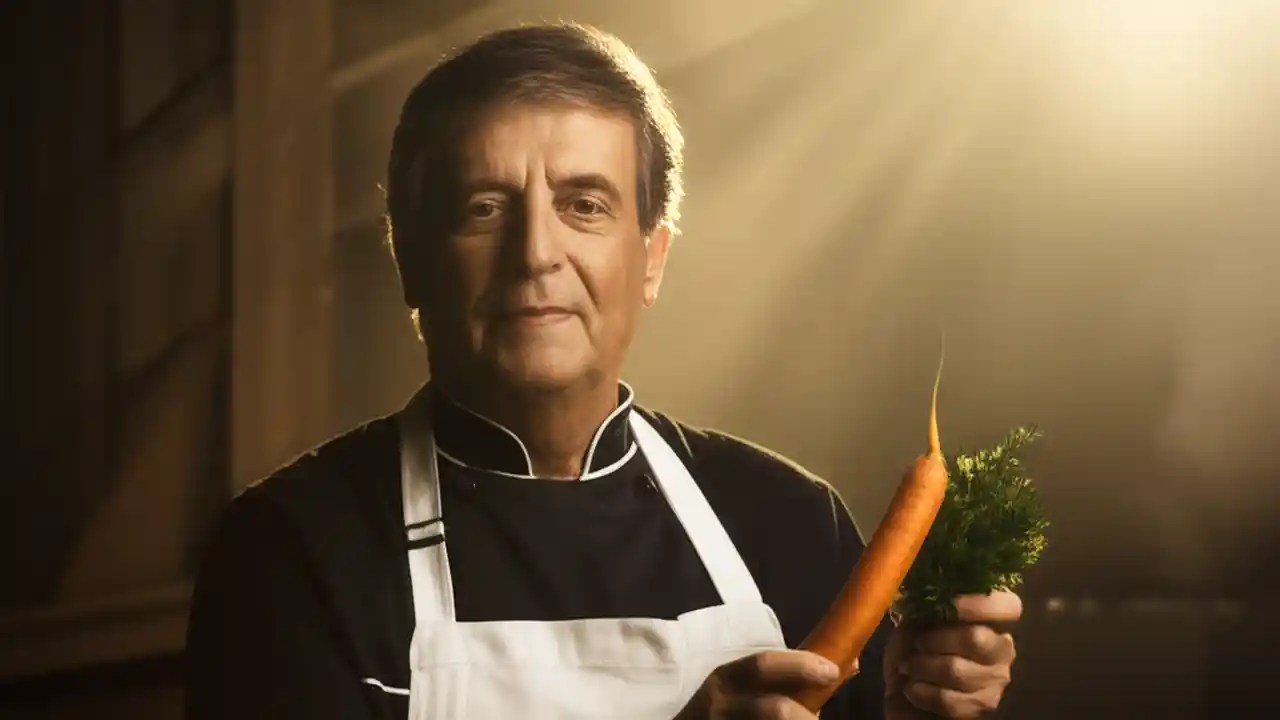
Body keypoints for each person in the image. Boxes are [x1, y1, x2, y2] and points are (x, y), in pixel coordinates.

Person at [185, 22, 1021, 720]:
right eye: (485, 208)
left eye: (584, 205)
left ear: (651, 259)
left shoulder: (792, 522)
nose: (535, 253)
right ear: (410, 259)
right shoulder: (289, 554)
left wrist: (914, 711)